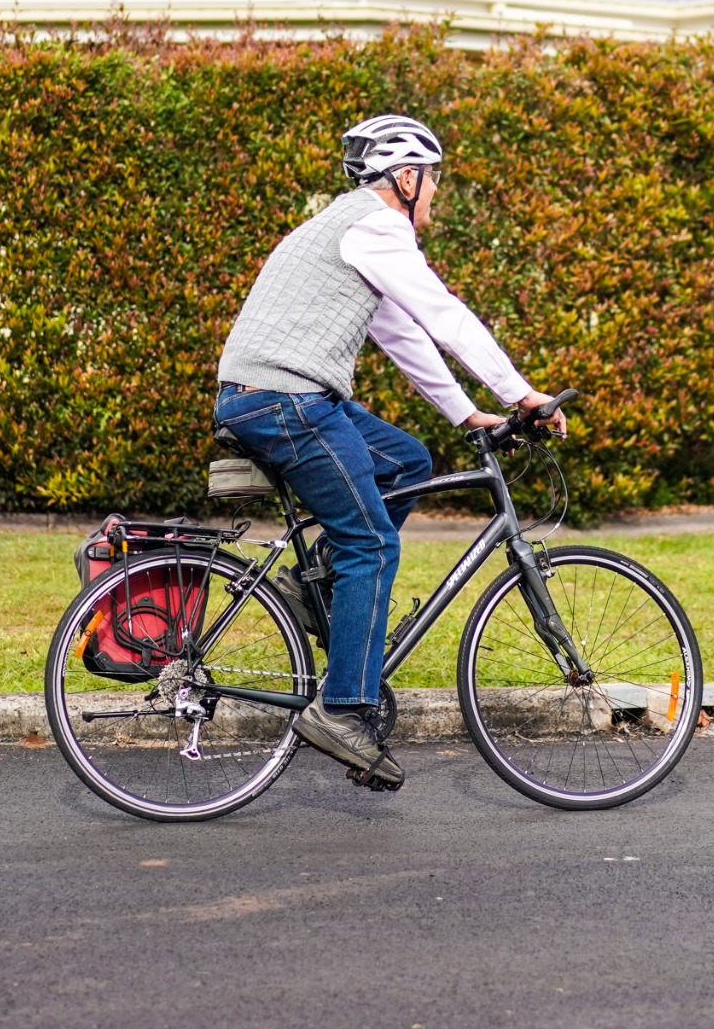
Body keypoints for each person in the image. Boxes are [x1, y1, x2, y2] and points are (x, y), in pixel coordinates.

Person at [214, 114, 559, 790]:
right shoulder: (377, 226)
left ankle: (314, 587)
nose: (436, 191)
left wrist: (467, 412)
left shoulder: (348, 227)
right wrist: (523, 395)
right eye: (433, 178)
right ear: (405, 178)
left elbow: (403, 332)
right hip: (286, 399)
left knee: (406, 461)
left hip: (273, 394)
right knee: (371, 543)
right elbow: (446, 315)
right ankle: (342, 709)